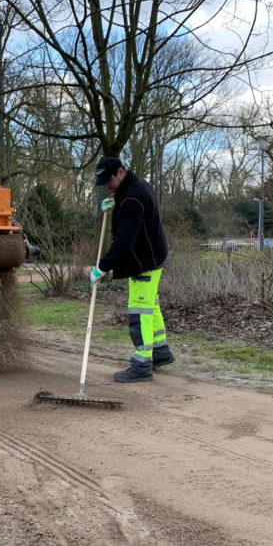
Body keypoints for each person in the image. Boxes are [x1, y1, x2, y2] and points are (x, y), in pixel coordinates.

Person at [90, 157, 175, 382]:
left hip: (143, 262)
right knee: (151, 306)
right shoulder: (136, 185)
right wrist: (115, 204)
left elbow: (124, 242)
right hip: (154, 257)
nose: (107, 186)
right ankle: (160, 352)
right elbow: (131, 217)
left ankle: (142, 364)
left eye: (109, 181)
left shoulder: (132, 197)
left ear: (120, 172)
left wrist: (102, 267)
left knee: (140, 311)